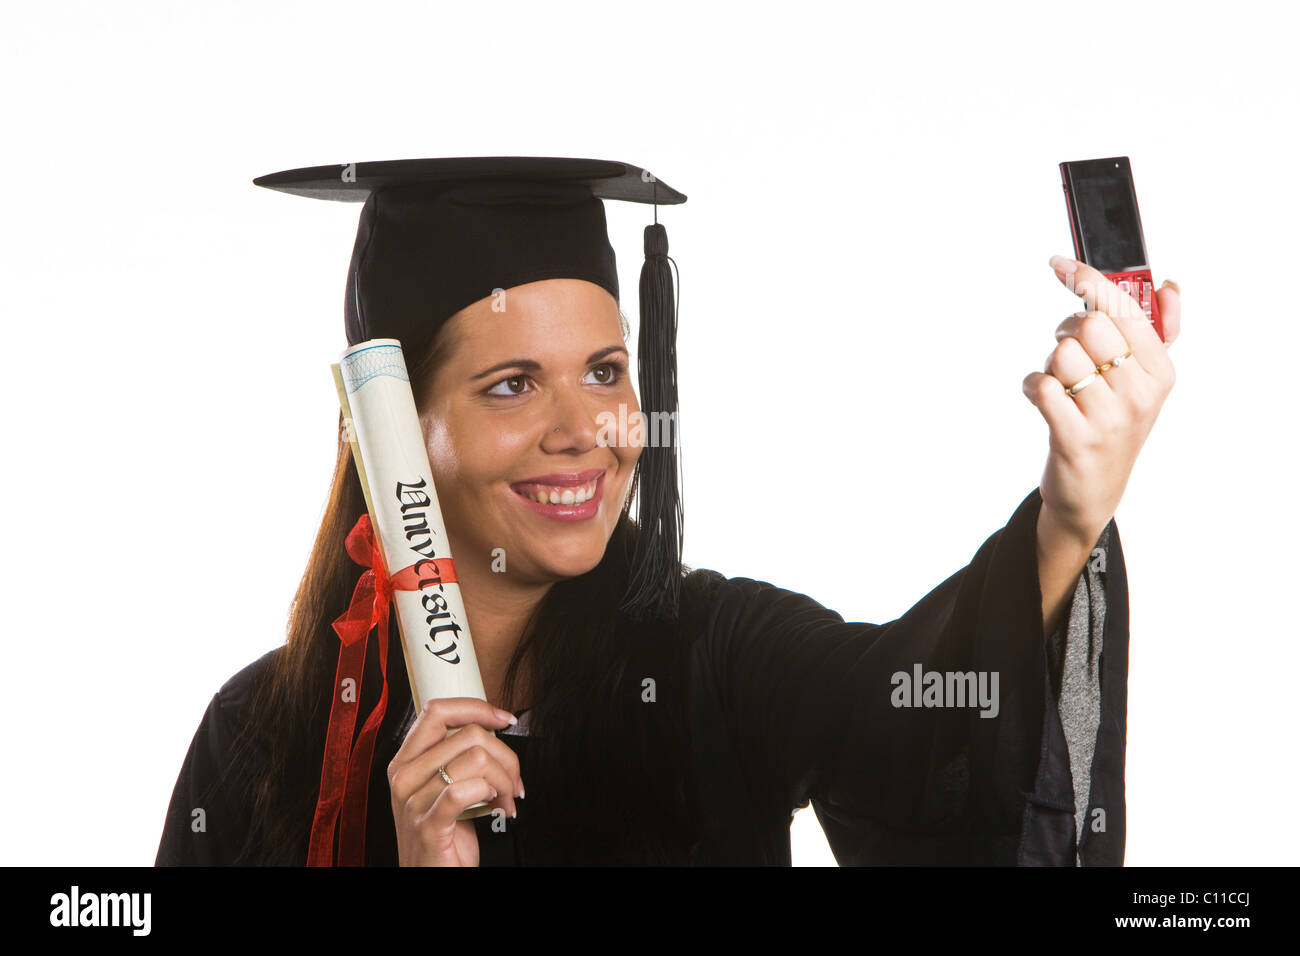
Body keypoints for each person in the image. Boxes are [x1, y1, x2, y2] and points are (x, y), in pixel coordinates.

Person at [155, 157, 1179, 867]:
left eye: (605, 370)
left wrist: (1067, 512)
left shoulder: (710, 657)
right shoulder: (266, 738)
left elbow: (909, 719)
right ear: (399, 432)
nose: (584, 427)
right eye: (513, 383)